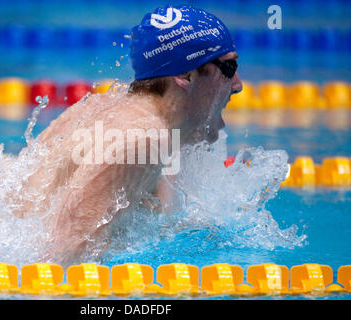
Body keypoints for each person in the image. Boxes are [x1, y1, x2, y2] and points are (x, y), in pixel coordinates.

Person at [15, 5, 243, 264]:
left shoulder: (108, 107)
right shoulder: (144, 139)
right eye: (228, 67)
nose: (238, 84)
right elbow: (59, 262)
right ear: (185, 75)